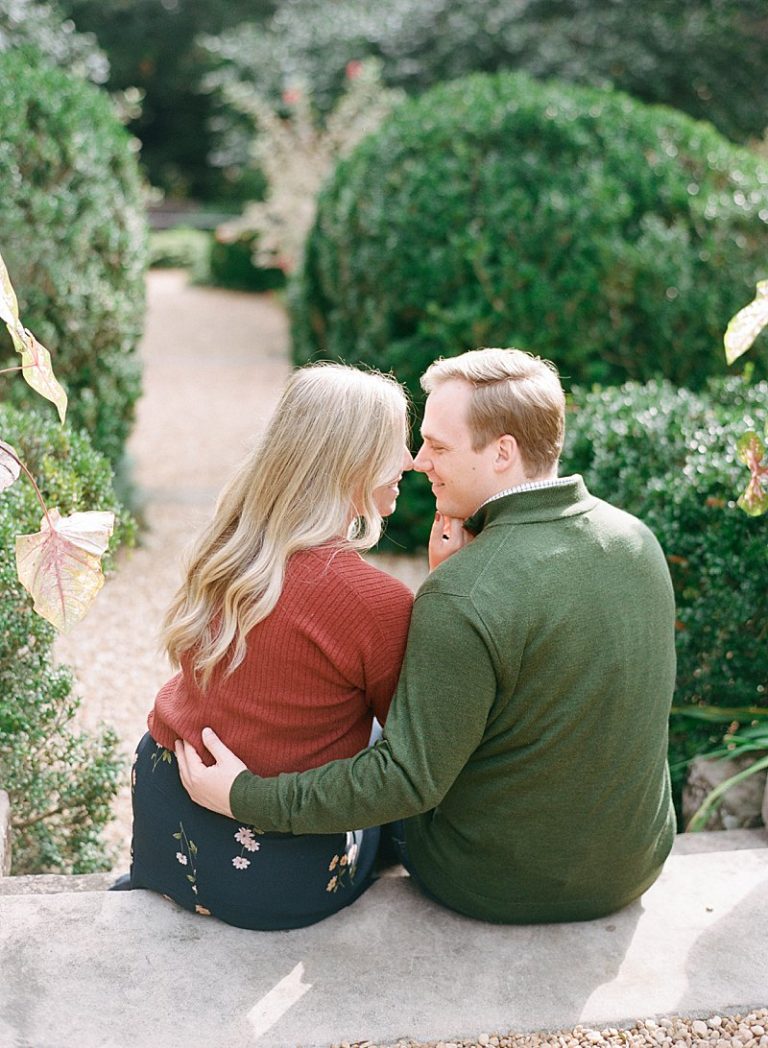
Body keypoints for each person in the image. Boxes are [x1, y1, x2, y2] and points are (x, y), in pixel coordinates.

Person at [177, 347, 678, 925]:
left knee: (356, 729)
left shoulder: (464, 594)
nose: (418, 461)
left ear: (503, 453)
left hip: (492, 883)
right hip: (636, 862)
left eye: (438, 446)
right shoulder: (637, 540)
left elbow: (405, 779)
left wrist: (246, 797)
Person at [121, 363, 415, 930]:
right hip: (275, 872)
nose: (409, 460)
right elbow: (406, 750)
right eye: (394, 444)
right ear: (350, 463)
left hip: (164, 821)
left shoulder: (227, 548)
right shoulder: (376, 603)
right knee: (397, 757)